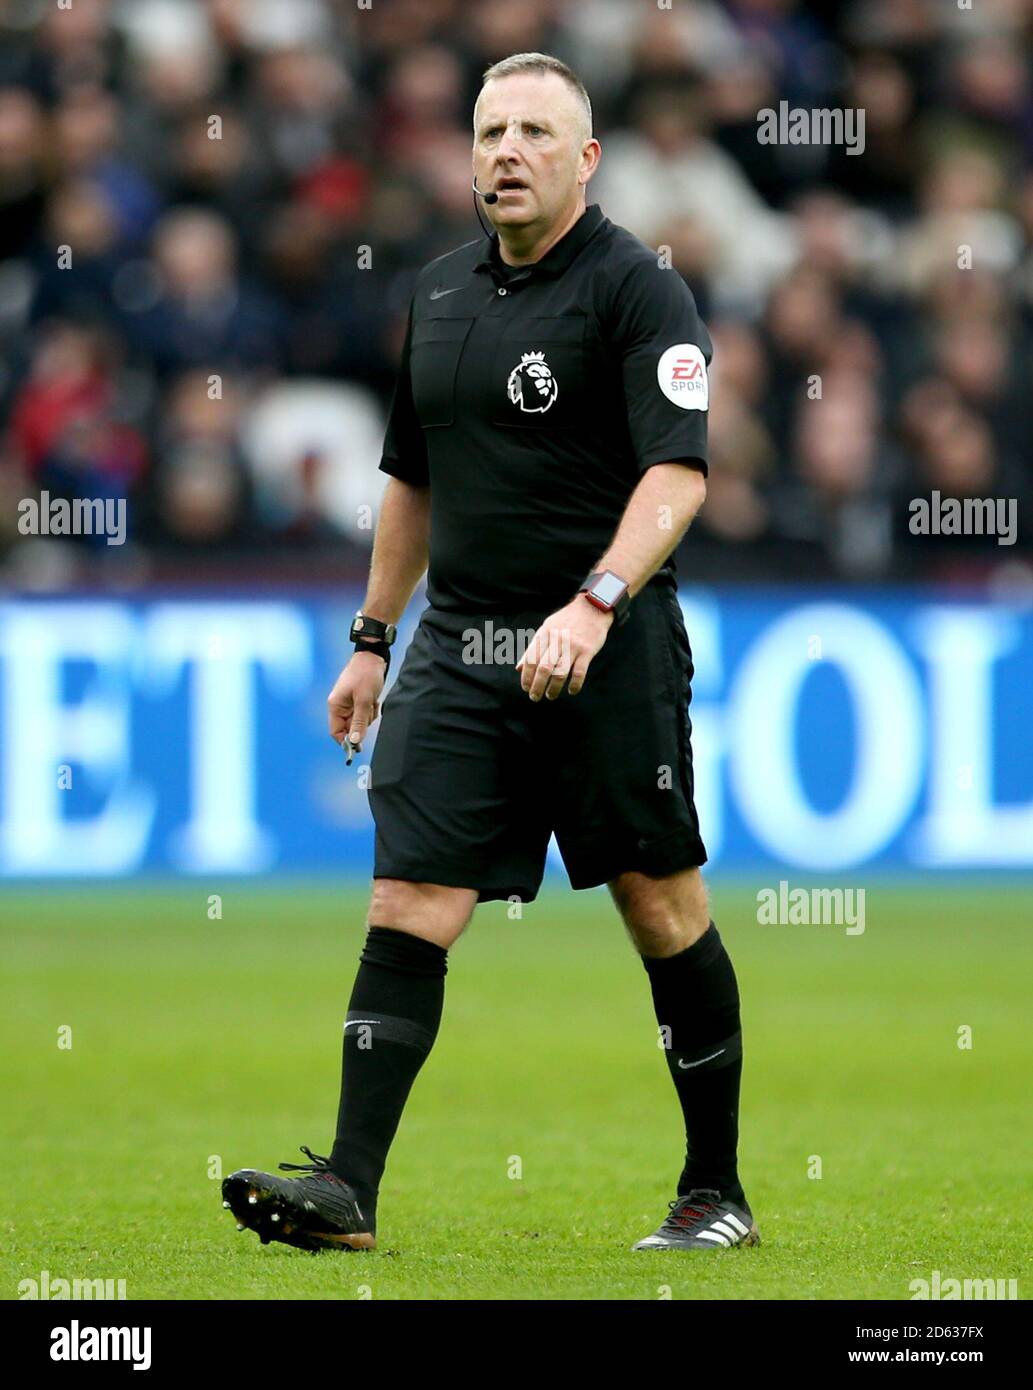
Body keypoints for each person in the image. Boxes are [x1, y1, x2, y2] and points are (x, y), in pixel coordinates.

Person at [222, 52, 758, 1256]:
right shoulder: (442, 294)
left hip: (605, 649)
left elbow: (677, 472)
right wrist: (371, 638)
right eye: (488, 130)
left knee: (658, 904)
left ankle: (714, 1189)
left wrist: (597, 599)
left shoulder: (639, 291)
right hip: (463, 647)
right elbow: (409, 479)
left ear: (587, 158)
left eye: (532, 132)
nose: (505, 151)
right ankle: (348, 1187)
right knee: (409, 894)